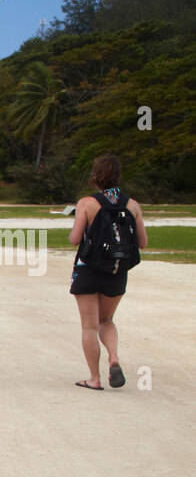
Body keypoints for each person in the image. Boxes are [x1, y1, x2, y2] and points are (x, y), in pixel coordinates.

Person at [66, 154, 147, 390]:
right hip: (117, 270)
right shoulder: (132, 205)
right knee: (107, 320)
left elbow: (75, 239)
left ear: (95, 177)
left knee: (89, 326)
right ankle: (114, 357)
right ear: (117, 176)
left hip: (89, 269)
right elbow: (142, 242)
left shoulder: (87, 203)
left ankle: (94, 378)